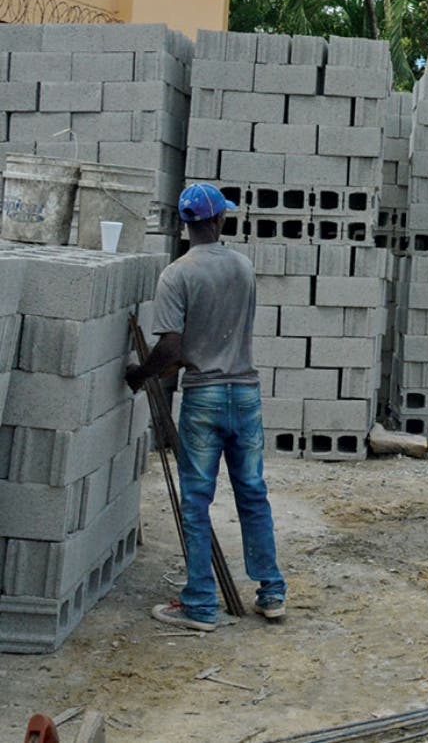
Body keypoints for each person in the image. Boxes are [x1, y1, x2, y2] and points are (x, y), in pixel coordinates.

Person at [125, 183, 286, 631]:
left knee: (196, 501)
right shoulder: (243, 267)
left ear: (185, 225)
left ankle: (199, 603)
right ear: (219, 220)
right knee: (252, 493)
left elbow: (170, 348)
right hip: (246, 393)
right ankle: (271, 591)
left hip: (204, 396)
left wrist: (139, 376)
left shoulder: (176, 275)